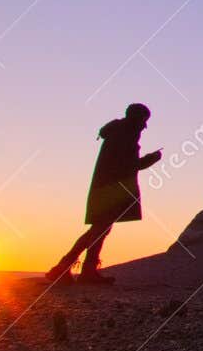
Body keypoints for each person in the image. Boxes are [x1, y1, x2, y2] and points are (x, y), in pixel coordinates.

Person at [45, 103, 161, 285]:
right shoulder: (126, 134)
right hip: (111, 190)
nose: (144, 127)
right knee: (100, 229)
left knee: (99, 229)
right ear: (137, 119)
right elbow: (127, 165)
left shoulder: (116, 131)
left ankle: (77, 269)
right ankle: (68, 269)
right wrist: (151, 159)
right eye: (144, 121)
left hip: (104, 187)